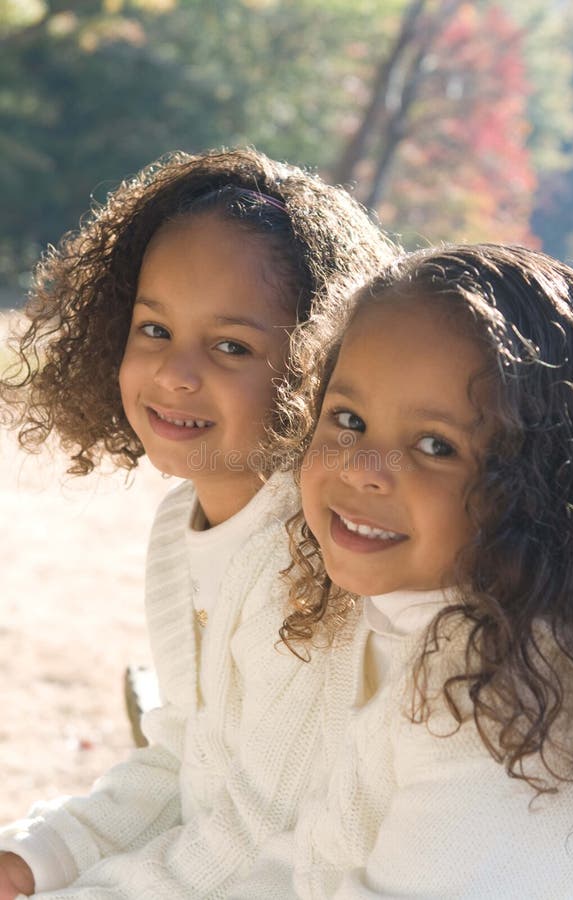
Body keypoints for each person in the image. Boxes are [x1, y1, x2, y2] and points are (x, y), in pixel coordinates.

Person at [0, 147, 394, 899]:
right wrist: (37, 855)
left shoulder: (320, 557)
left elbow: (261, 832)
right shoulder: (182, 524)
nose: (177, 372)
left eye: (230, 346)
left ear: (317, 364)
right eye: (154, 330)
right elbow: (186, 758)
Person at [266, 244, 573, 898]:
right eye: (350, 419)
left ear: (537, 490)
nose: (362, 467)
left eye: (435, 445)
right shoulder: (417, 618)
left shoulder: (505, 704)